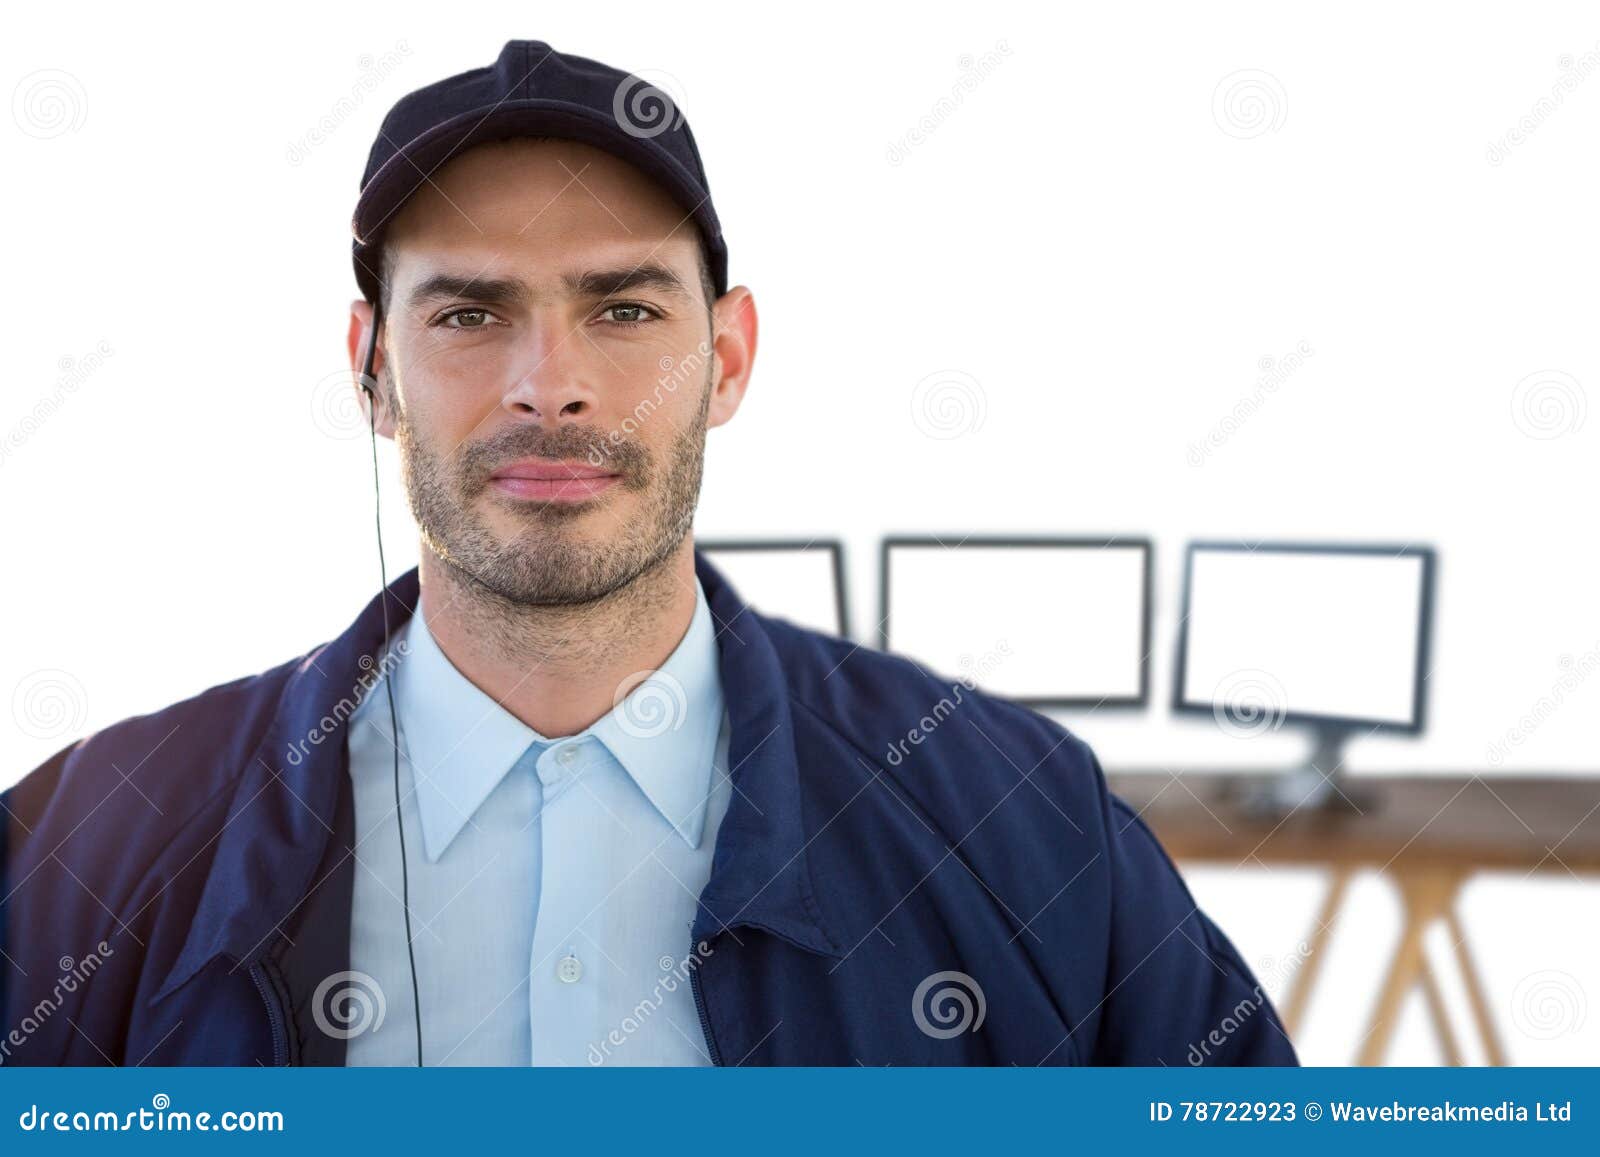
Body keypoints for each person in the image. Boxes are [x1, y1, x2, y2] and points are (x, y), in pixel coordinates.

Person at [0, 40, 1297, 1067]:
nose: (548, 386)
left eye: (623, 309)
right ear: (372, 368)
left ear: (725, 359)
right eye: (468, 311)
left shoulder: (1025, 824)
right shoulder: (85, 853)